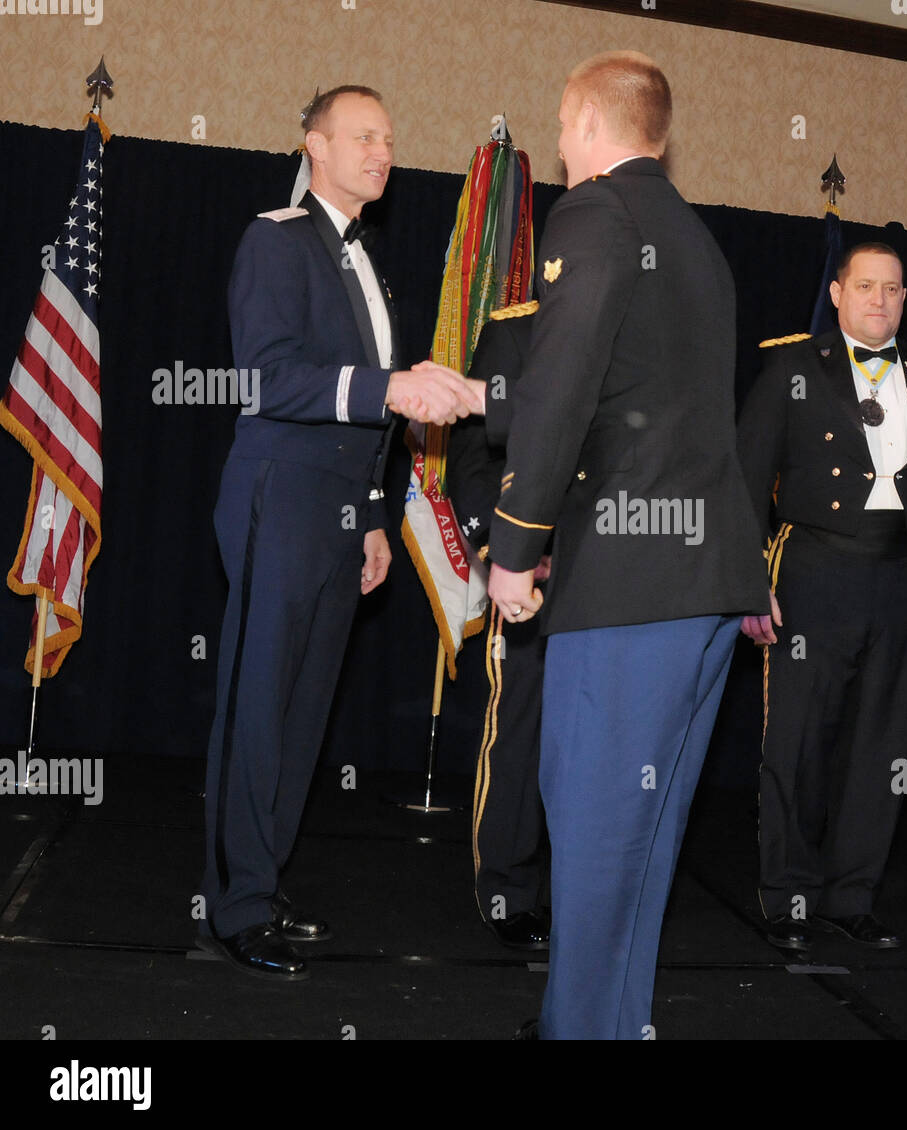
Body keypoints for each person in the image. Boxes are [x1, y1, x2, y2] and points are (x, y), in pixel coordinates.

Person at [463, 51, 769, 1040]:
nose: (555, 147)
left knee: (595, 831)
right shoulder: (696, 240)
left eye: (560, 128)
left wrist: (512, 545)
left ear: (587, 123)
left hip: (631, 584)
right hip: (703, 575)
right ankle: (609, 1018)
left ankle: (581, 1028)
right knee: (645, 833)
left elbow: (562, 392)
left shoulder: (595, 215)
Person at [198, 86, 475, 981]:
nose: (382, 152)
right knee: (257, 705)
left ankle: (262, 880)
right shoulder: (275, 240)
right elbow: (271, 379)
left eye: (390, 140)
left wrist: (371, 521)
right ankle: (231, 907)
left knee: (302, 708)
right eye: (363, 136)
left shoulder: (372, 264)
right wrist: (391, 388)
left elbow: (367, 425)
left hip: (335, 512)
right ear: (313, 143)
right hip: (277, 499)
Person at [738, 243, 907, 953]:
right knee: (797, 737)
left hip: (905, 577)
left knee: (883, 744)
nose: (879, 300)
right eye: (865, 287)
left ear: (905, 299)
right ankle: (789, 893)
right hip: (813, 568)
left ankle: (851, 896)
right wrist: (745, 579)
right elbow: (744, 475)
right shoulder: (792, 366)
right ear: (838, 292)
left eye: (892, 289)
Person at [448, 302, 550, 951]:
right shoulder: (517, 332)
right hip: (535, 566)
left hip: (624, 566)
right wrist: (500, 550)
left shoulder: (648, 327)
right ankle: (508, 888)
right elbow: (474, 456)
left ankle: (589, 888)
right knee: (522, 727)